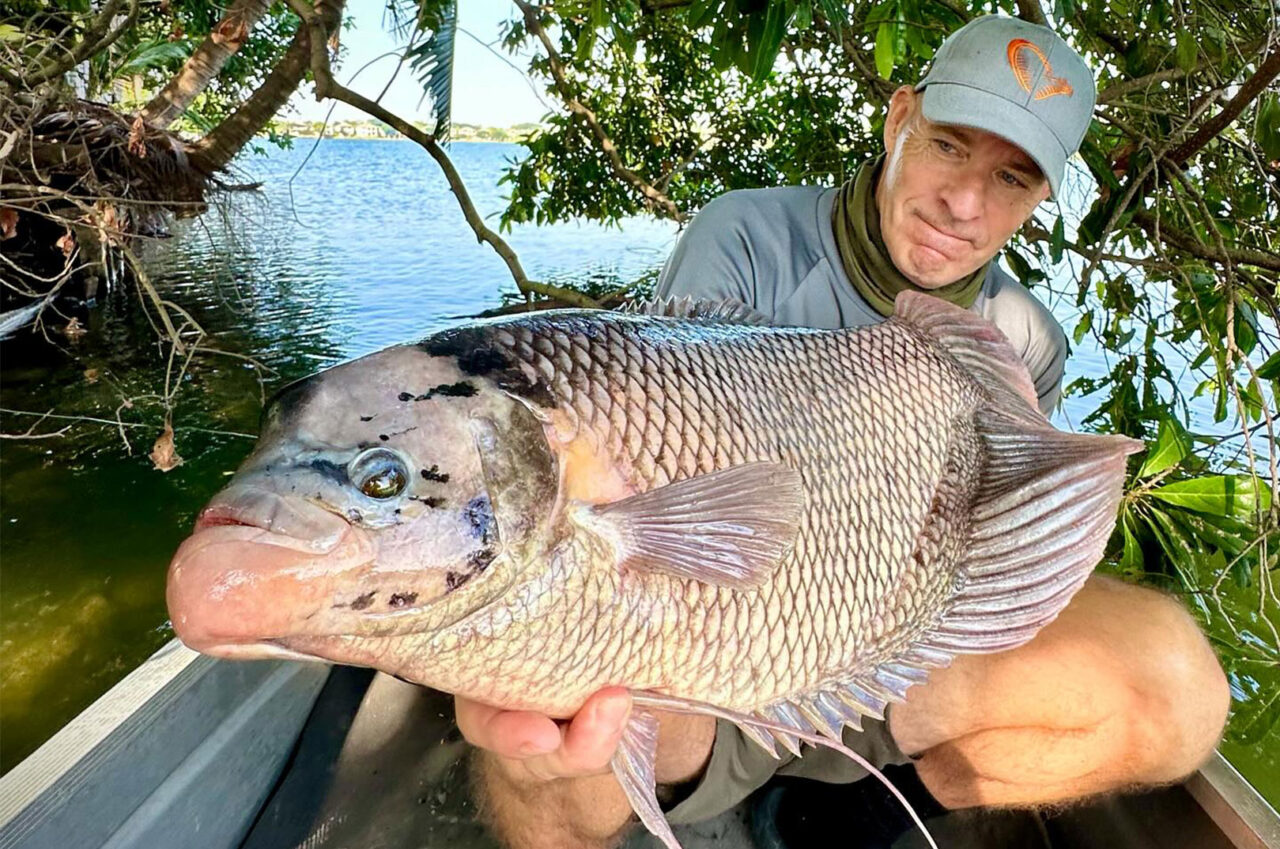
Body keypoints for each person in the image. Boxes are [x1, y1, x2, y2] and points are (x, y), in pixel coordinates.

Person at [458, 15, 1230, 849]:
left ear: (1040, 198)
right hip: (709, 641)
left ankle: (852, 814)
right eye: (946, 146)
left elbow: (992, 549)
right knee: (557, 729)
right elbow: (655, 491)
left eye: (1011, 178)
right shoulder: (747, 239)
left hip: (897, 648)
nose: (964, 203)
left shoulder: (1026, 337)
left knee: (1181, 694)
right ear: (900, 118)